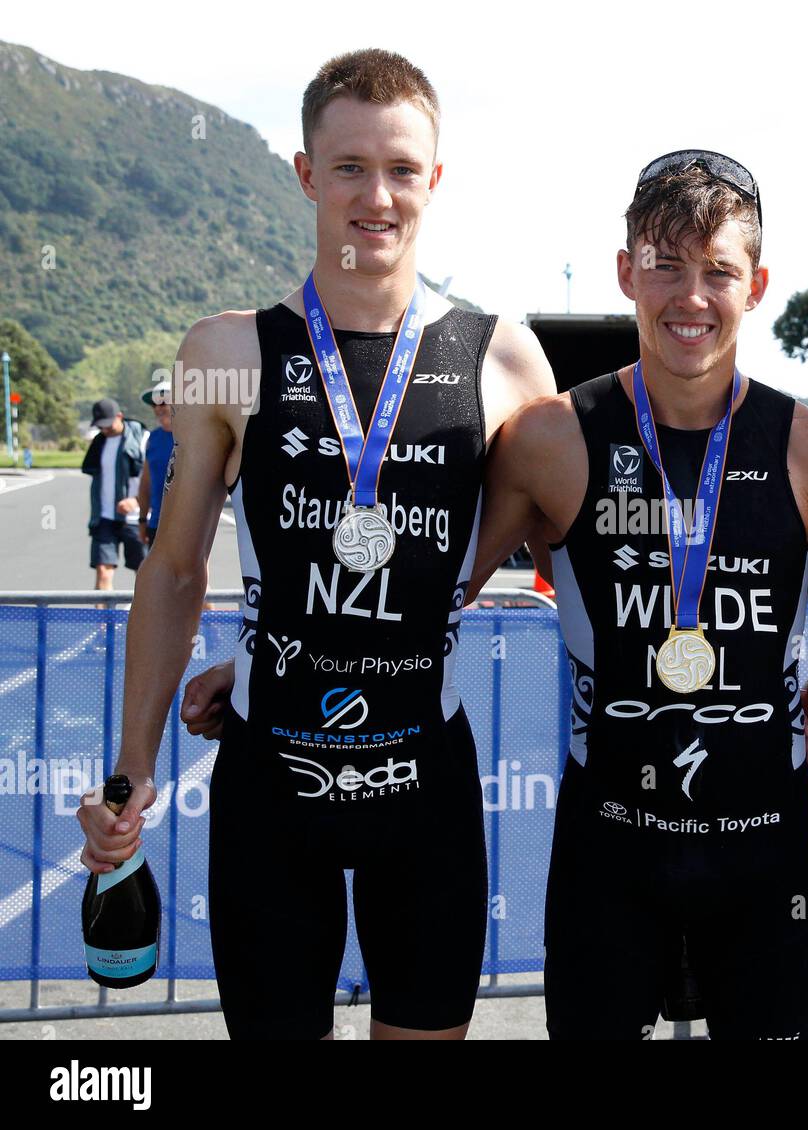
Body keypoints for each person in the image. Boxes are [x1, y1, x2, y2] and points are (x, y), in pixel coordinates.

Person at [76, 48, 554, 1041]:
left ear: (435, 178)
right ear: (305, 174)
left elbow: (559, 532)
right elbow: (171, 569)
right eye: (347, 167)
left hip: (425, 790)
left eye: (400, 168)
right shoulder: (222, 354)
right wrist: (129, 773)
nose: (375, 195)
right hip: (270, 788)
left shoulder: (505, 357)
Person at [476, 151, 808, 1038]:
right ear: (627, 271)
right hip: (608, 845)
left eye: (718, 271)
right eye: (664, 264)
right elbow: (434, 588)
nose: (690, 296)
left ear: (758, 282)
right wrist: (255, 660)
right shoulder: (549, 439)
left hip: (762, 848)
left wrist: (773, 749)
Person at [81, 397, 147, 590]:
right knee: (103, 570)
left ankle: (144, 620)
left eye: (108, 424)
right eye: (100, 426)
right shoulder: (99, 443)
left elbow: (155, 479)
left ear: (120, 416)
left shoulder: (142, 439)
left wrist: (136, 501)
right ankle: (103, 621)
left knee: (143, 573)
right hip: (105, 517)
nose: (105, 429)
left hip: (135, 517)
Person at [136, 379, 174, 546]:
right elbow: (146, 483)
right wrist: (143, 520)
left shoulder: (193, 437)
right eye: (154, 405)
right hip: (156, 524)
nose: (158, 408)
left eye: (163, 402)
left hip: (189, 527)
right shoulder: (153, 438)